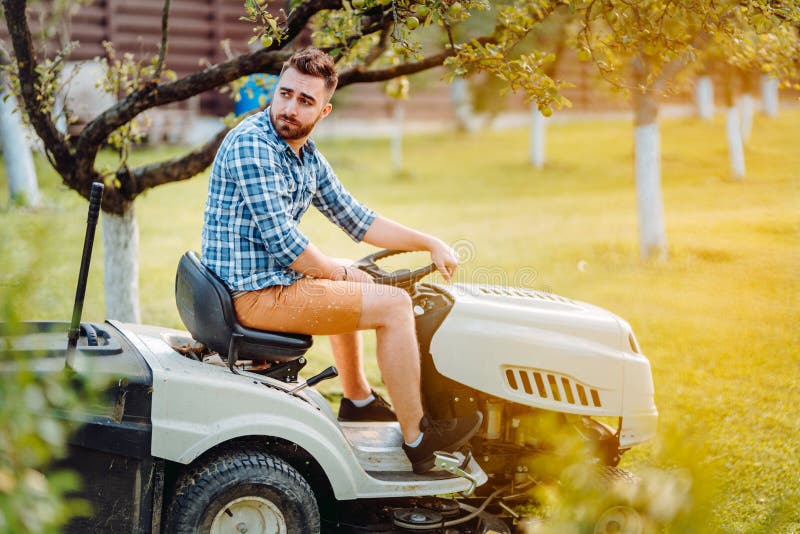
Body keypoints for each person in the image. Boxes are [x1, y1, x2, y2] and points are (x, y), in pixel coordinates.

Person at [201, 48, 481, 474]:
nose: (290, 108)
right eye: (285, 94)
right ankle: (419, 439)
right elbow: (287, 244)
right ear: (275, 92)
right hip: (249, 295)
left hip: (265, 279)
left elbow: (357, 217)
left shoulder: (304, 154)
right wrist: (344, 274)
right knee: (394, 305)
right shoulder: (252, 145)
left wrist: (429, 242)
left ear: (324, 110)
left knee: (352, 269)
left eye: (305, 101)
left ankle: (358, 399)